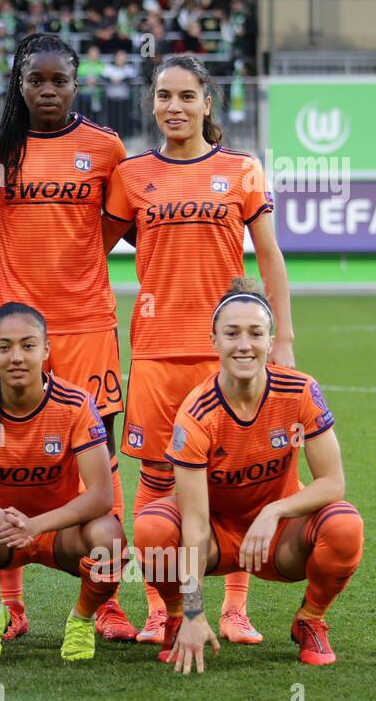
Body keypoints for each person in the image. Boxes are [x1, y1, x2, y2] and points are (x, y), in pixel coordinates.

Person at [102, 53, 295, 646]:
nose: (175, 107)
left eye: (187, 96)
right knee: (158, 479)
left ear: (207, 103)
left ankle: (236, 606)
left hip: (230, 352)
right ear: (152, 104)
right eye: (164, 96)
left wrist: (281, 338)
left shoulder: (241, 169)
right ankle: (162, 608)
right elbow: (91, 250)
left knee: (232, 478)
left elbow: (269, 257)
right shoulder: (132, 175)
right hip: (158, 349)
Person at [0, 33, 135, 642]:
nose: (47, 90)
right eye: (35, 80)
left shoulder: (105, 147)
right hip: (11, 323)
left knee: (103, 451)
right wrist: (8, 247)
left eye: (58, 80)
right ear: (19, 84)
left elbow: (114, 227)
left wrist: (69, 264)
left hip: (86, 321)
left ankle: (108, 601)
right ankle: (11, 604)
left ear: (76, 84)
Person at [134, 278, 362, 671]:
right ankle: (175, 618)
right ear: (214, 341)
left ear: (270, 342)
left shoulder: (301, 390)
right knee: (152, 528)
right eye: (232, 333)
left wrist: (274, 512)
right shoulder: (196, 413)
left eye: (255, 333)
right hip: (215, 538)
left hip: (276, 539)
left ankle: (310, 619)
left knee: (345, 524)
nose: (244, 344)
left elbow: (333, 482)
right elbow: (194, 520)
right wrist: (193, 610)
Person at [0, 303, 124, 661]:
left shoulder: (75, 402)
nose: (16, 357)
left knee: (108, 537)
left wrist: (36, 526)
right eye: (4, 347)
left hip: (57, 532)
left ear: (46, 350)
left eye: (28, 345)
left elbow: (100, 496)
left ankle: (81, 620)